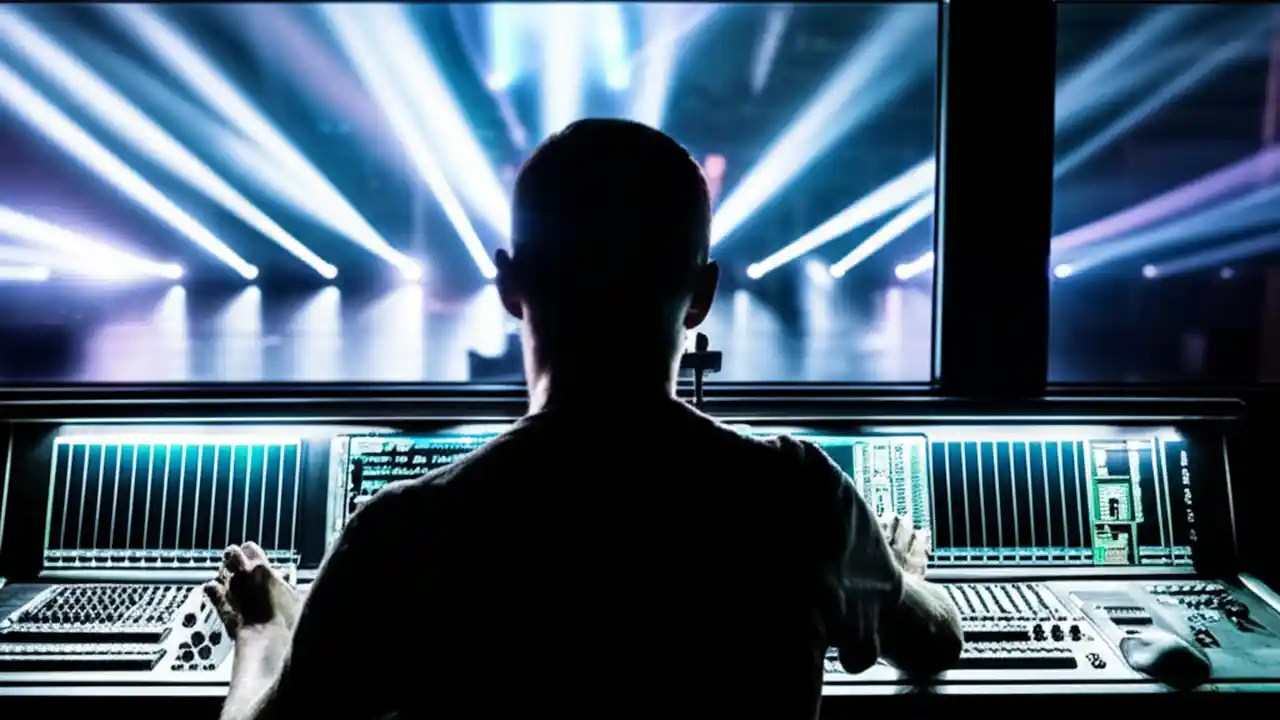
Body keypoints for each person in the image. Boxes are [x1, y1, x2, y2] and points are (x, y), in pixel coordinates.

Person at [206, 119, 963, 720]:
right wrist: (892, 578)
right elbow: (936, 644)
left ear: (508, 285)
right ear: (700, 296)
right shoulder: (802, 496)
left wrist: (269, 639)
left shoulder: (404, 532)